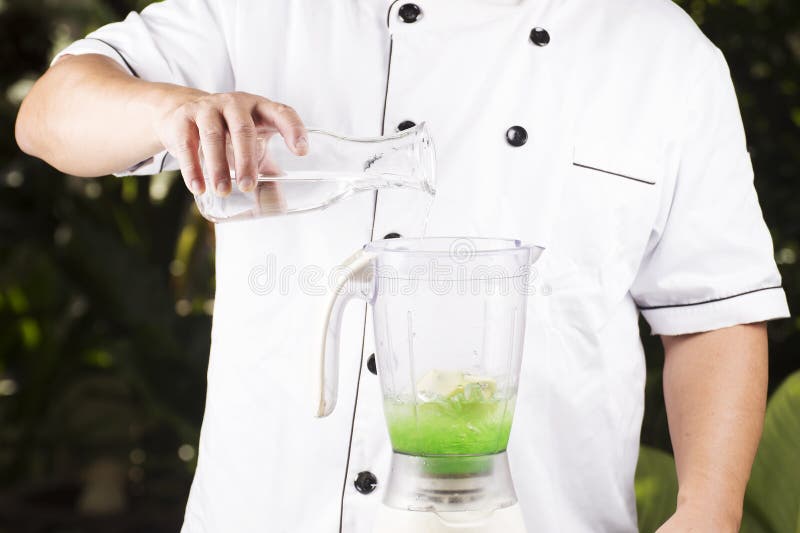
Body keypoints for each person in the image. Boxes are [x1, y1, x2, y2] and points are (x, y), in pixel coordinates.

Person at [14, 0, 790, 531]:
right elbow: (51, 113)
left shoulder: (659, 50)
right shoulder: (265, 13)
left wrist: (709, 512)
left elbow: (715, 310)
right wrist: (168, 111)